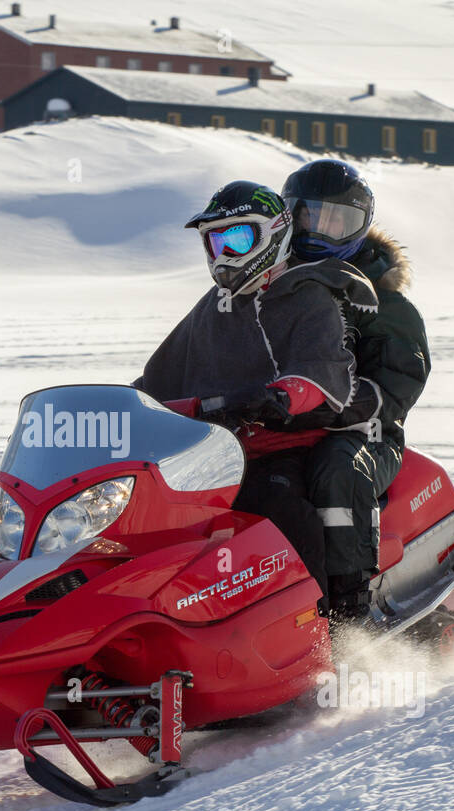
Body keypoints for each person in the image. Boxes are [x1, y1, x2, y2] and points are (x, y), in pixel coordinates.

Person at [132, 180, 379, 602]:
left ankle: (323, 621)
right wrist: (122, 408)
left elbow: (320, 368)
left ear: (273, 232)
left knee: (277, 506)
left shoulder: (308, 294)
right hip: (219, 449)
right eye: (215, 243)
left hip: (290, 442)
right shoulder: (217, 304)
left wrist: (282, 397)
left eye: (238, 238)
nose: (225, 254)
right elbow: (160, 376)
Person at [278, 159, 432, 628]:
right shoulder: (276, 287)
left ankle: (350, 605)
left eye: (336, 221)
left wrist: (344, 400)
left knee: (335, 472)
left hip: (366, 433)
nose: (319, 233)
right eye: (308, 217)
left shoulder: (383, 300)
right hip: (283, 426)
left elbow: (399, 383)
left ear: (360, 226)